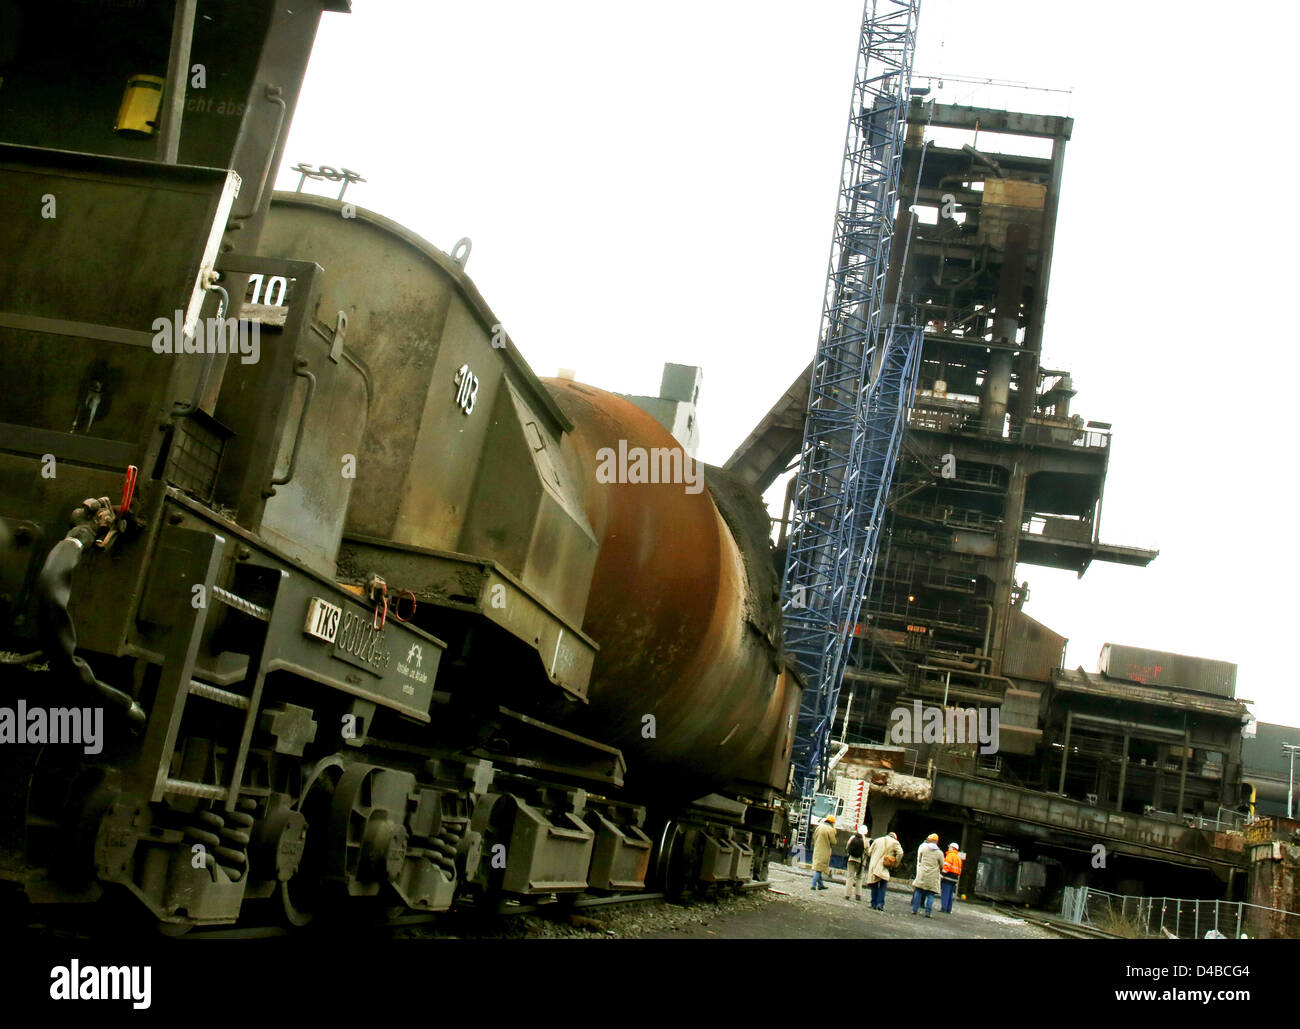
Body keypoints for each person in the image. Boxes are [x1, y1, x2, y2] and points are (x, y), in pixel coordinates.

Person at [865, 831, 903, 910]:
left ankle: (873, 903)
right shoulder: (895, 843)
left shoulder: (877, 840)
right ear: (895, 838)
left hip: (874, 866)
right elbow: (901, 853)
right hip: (884, 866)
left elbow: (869, 852)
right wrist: (895, 862)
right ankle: (880, 904)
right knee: (883, 885)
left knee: (874, 884)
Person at [911, 832, 943, 917]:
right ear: (937, 841)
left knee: (918, 890)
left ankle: (914, 909)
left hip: (922, 874)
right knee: (930, 894)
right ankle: (928, 912)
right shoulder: (939, 853)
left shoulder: (924, 849)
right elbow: (942, 865)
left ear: (930, 840)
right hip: (932, 876)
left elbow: (920, 859)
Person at [811, 814, 837, 891]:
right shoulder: (830, 830)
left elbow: (814, 837)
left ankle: (820, 885)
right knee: (819, 869)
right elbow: (833, 841)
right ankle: (813, 885)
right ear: (832, 823)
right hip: (825, 851)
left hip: (817, 849)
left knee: (819, 867)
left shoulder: (819, 827)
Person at [844, 825, 869, 901]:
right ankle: (858, 894)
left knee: (850, 876)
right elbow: (868, 852)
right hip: (861, 861)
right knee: (859, 877)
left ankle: (847, 895)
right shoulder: (866, 841)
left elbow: (847, 847)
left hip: (851, 859)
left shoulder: (852, 837)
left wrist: (849, 853)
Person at [940, 843, 963, 914]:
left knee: (945, 893)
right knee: (950, 894)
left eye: (949, 847)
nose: (948, 848)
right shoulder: (958, 857)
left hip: (948, 877)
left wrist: (942, 874)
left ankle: (943, 908)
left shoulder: (950, 855)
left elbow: (946, 866)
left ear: (952, 848)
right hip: (955, 878)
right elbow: (959, 870)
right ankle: (948, 909)